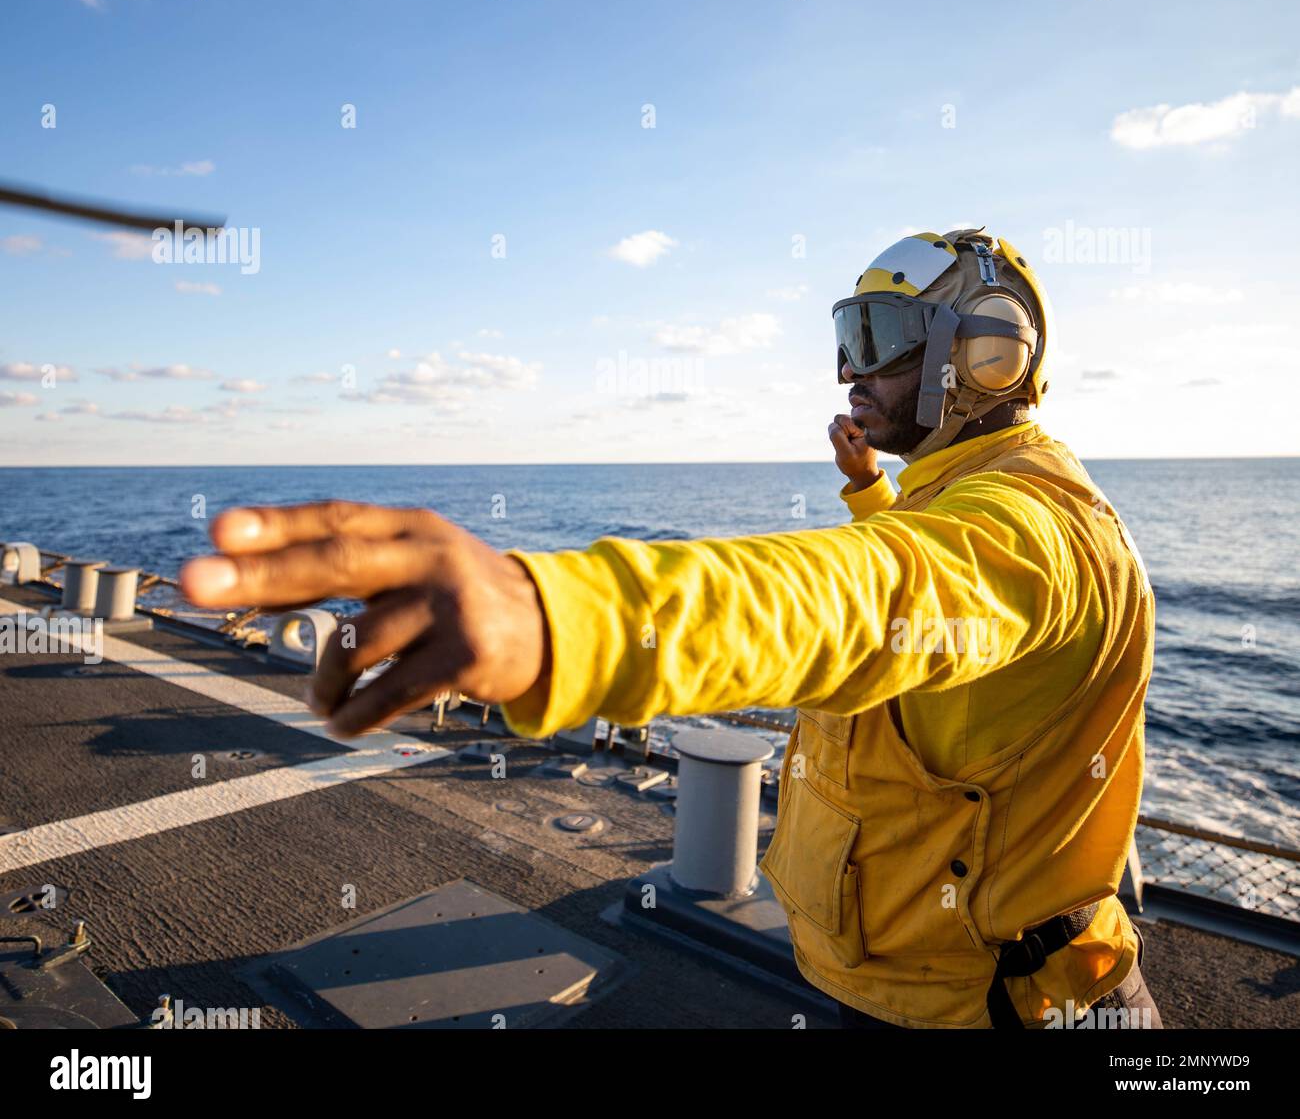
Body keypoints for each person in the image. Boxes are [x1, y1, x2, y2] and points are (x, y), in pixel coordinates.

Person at [180, 227, 1160, 1030]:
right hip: (912, 987)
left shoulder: (1039, 533)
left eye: (882, 336)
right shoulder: (957, 500)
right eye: (849, 334)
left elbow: (855, 603)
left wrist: (562, 616)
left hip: (993, 1011)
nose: (848, 370)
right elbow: (916, 588)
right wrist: (868, 490)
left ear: (986, 350)